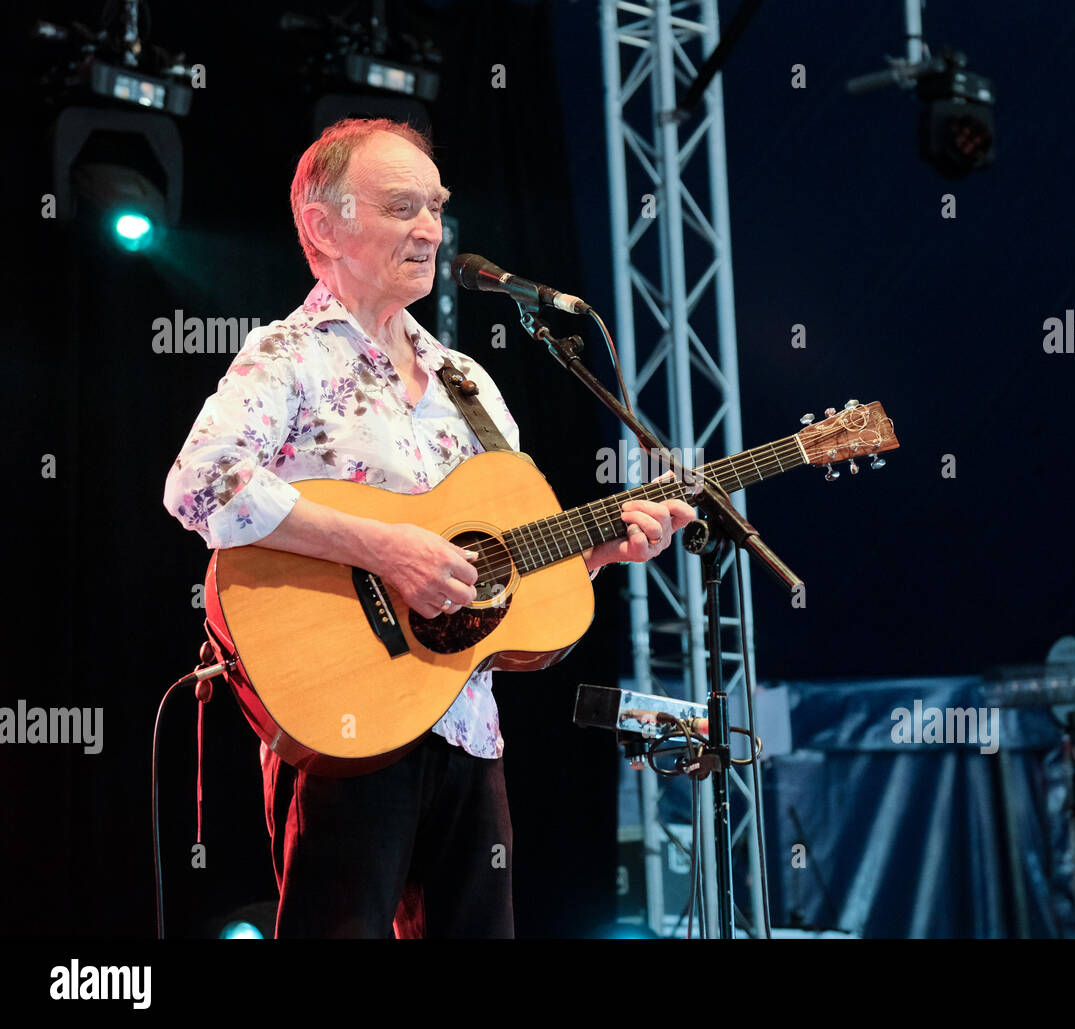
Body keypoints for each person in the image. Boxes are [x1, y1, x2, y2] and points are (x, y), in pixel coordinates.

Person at [163, 117, 695, 938]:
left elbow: (499, 572)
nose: (429, 229)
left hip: (468, 727)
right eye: (401, 205)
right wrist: (385, 548)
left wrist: (597, 550)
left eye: (436, 207)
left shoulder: (467, 383)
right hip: (347, 720)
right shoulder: (287, 356)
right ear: (322, 225)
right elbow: (201, 485)